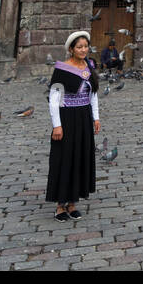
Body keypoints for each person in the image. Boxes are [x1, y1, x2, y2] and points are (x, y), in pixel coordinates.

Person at [47, 30, 101, 220]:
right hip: (67, 118)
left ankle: (72, 203)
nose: (83, 50)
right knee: (64, 159)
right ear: (71, 49)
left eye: (85, 46)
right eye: (79, 47)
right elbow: (54, 99)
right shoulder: (62, 69)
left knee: (80, 158)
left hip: (84, 118)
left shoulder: (90, 65)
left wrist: (96, 117)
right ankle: (60, 205)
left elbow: (93, 94)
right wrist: (57, 125)